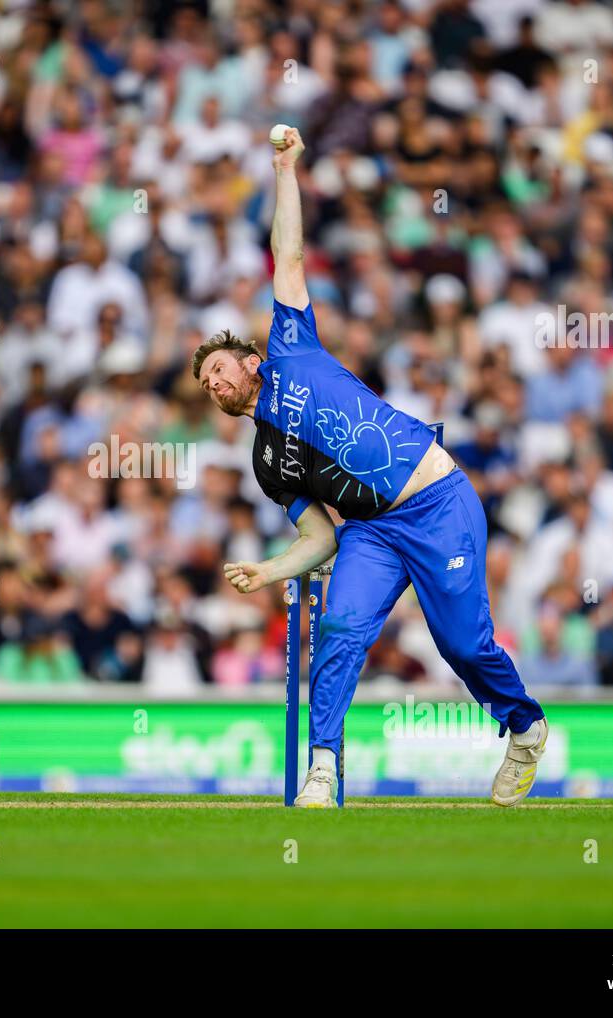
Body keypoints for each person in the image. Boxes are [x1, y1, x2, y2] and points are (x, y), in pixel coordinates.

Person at [194, 128, 547, 808]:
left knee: (464, 646)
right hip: (371, 534)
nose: (212, 383)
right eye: (204, 383)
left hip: (437, 499)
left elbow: (286, 253)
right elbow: (319, 540)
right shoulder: (266, 463)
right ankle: (323, 769)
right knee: (339, 629)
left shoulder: (290, 344)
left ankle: (525, 728)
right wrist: (268, 571)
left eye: (217, 367)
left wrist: (284, 170)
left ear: (248, 361)